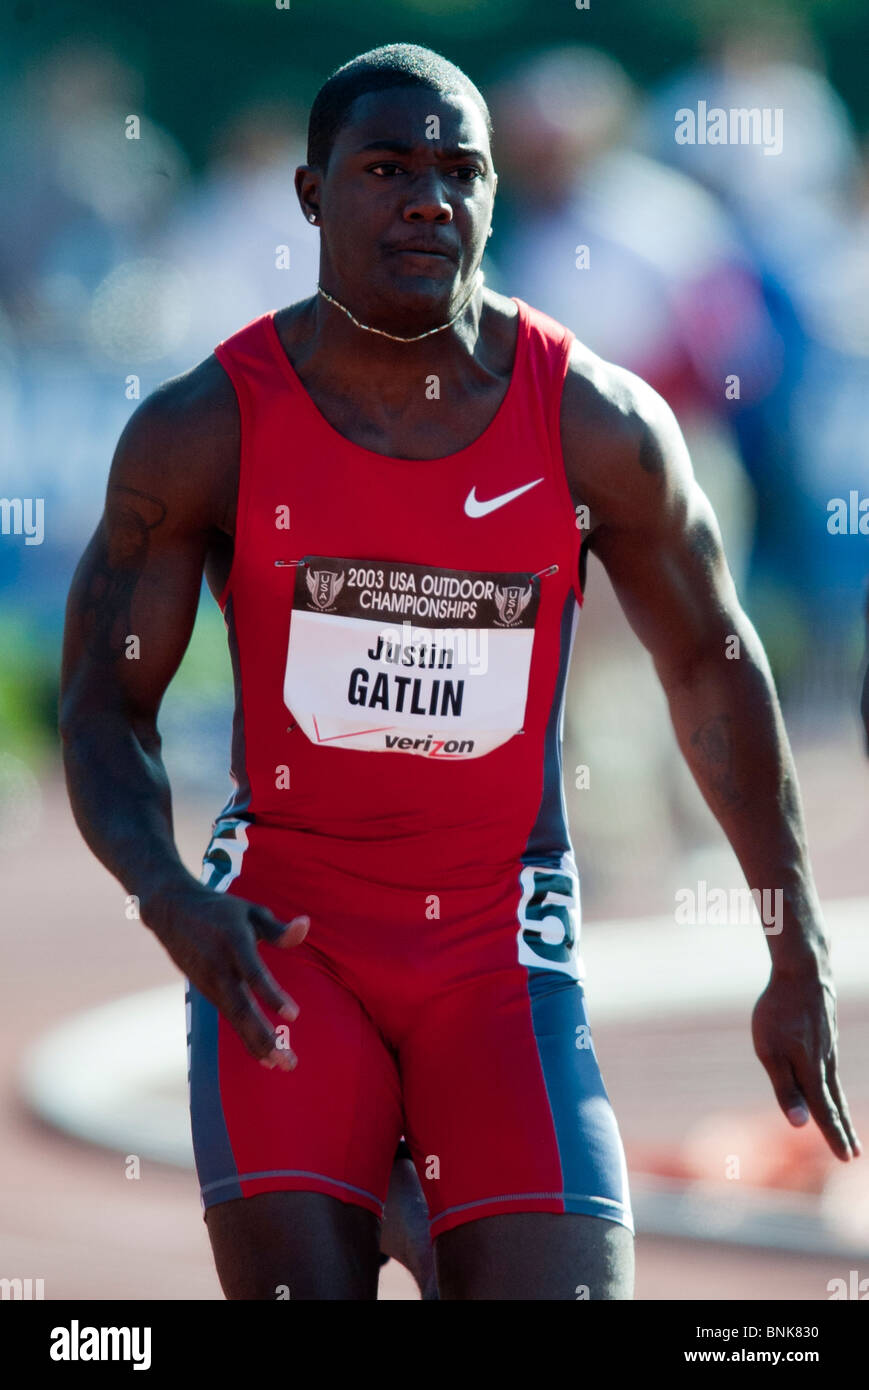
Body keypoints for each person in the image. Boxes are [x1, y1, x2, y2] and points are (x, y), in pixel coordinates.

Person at [59, 42, 860, 1302]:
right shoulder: (201, 427)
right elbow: (107, 704)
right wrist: (167, 894)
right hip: (282, 941)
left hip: (497, 948)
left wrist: (790, 939)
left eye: (460, 170)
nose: (430, 197)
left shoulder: (595, 423)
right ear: (312, 194)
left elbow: (712, 669)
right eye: (388, 168)